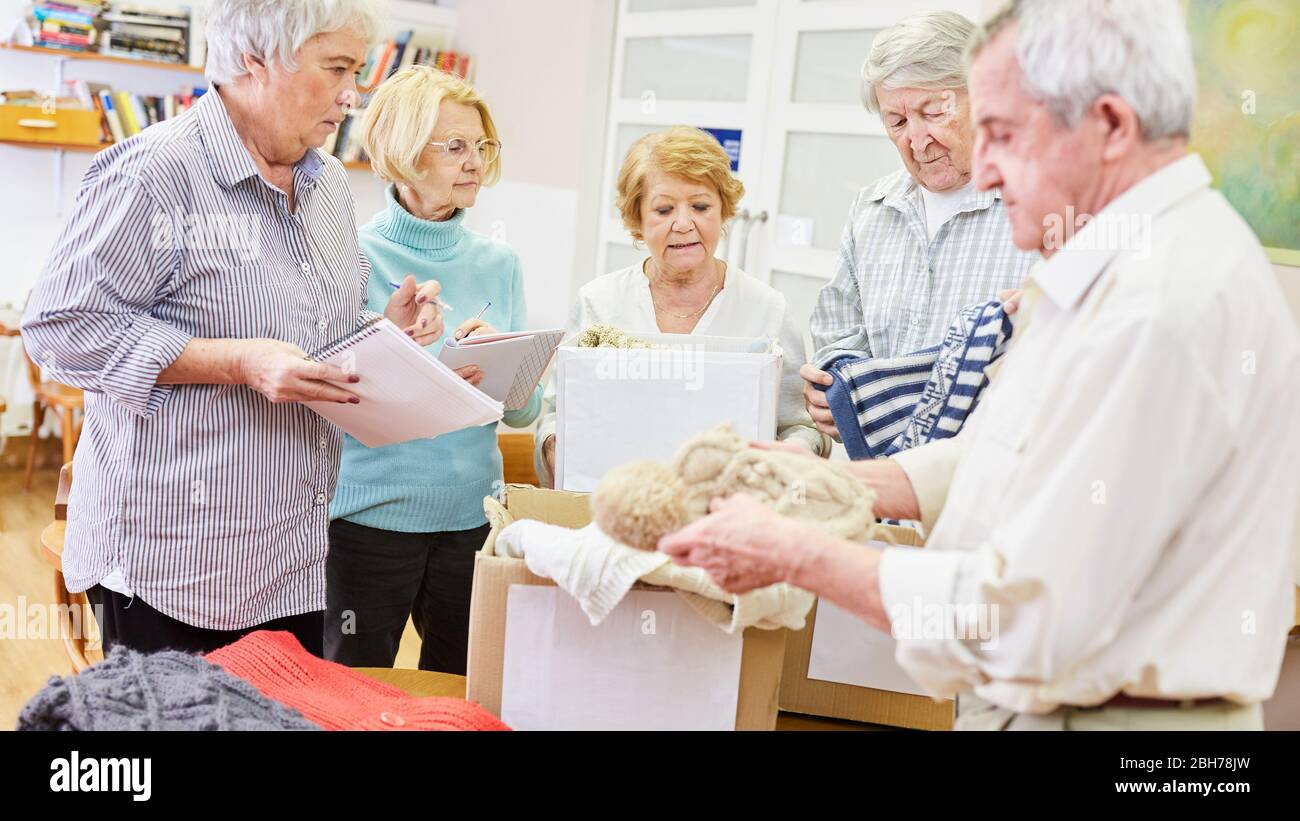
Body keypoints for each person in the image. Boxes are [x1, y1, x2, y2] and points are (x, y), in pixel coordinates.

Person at [661, 0, 1300, 731]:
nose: (983, 173)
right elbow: (1015, 450)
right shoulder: (1116, 263)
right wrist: (828, 480)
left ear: (1113, 127)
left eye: (1002, 132)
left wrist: (795, 552)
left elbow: (1022, 616)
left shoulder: (1160, 304)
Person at [20, 0, 444, 656]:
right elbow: (60, 328)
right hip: (177, 569)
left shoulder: (328, 182)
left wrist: (382, 330)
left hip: (294, 562)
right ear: (255, 61)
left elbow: (307, 329)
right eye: (336, 68)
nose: (351, 95)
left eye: (356, 72)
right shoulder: (154, 172)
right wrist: (235, 360)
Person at [325, 67, 541, 674]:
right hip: (369, 521)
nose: (474, 161)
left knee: (459, 690)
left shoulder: (500, 262)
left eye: (481, 146)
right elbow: (329, 396)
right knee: (353, 692)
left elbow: (523, 411)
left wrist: (506, 362)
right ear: (401, 151)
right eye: (454, 146)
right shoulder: (348, 252)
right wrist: (393, 346)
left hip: (473, 520)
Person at [534, 126, 830, 487]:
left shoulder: (767, 309)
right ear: (637, 220)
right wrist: (556, 446)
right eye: (663, 209)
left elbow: (800, 426)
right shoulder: (598, 303)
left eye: (701, 206)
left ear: (723, 211)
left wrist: (793, 456)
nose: (684, 224)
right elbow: (556, 416)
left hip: (728, 516)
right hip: (618, 510)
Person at [801, 10, 1037, 442]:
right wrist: (836, 390)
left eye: (933, 112)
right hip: (886, 484)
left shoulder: (1038, 205)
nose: (917, 139)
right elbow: (838, 330)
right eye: (898, 121)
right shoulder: (872, 209)